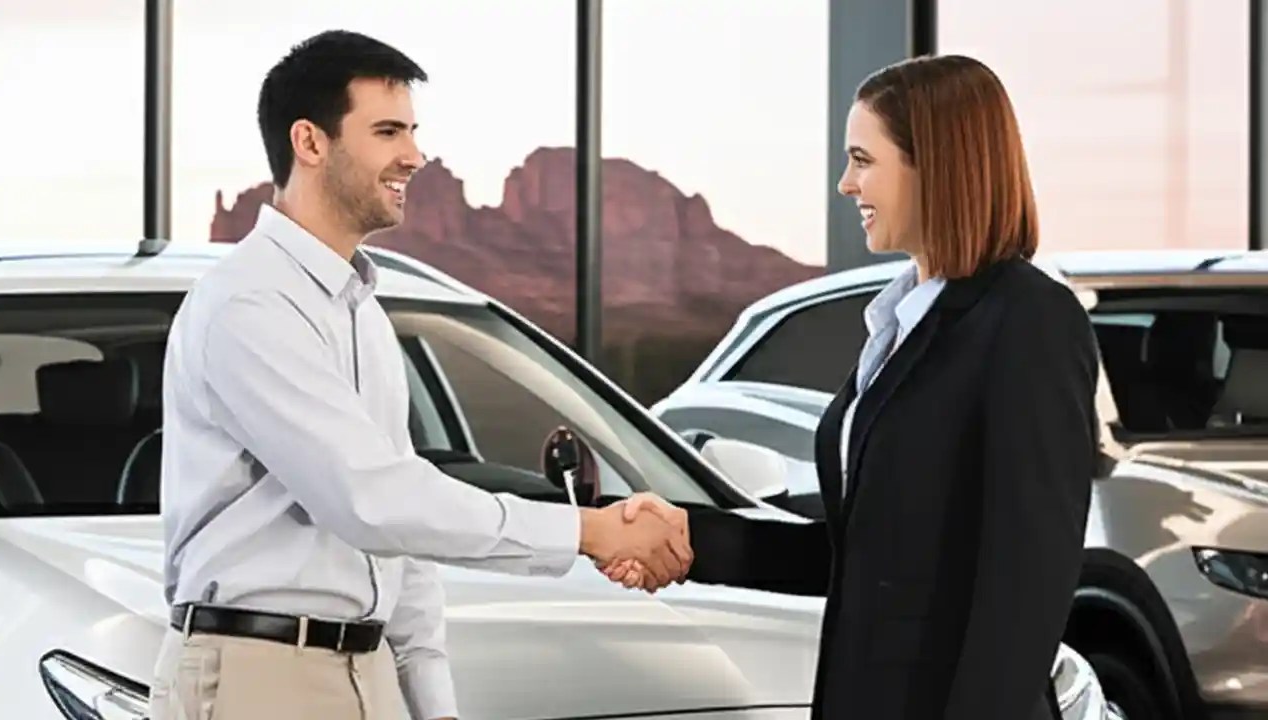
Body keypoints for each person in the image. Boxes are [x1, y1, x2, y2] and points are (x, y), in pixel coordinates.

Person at [149, 30, 690, 720]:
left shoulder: (362, 311)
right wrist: (590, 530)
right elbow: (371, 500)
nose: (414, 155)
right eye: (387, 131)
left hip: (362, 672)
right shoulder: (250, 303)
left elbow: (401, 545)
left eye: (411, 130)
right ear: (310, 142)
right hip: (259, 679)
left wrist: (434, 706)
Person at [605, 54, 1099, 720]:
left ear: (936, 164)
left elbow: (1025, 590)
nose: (845, 184)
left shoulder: (1028, 320)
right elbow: (858, 556)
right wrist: (690, 536)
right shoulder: (898, 326)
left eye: (863, 159)